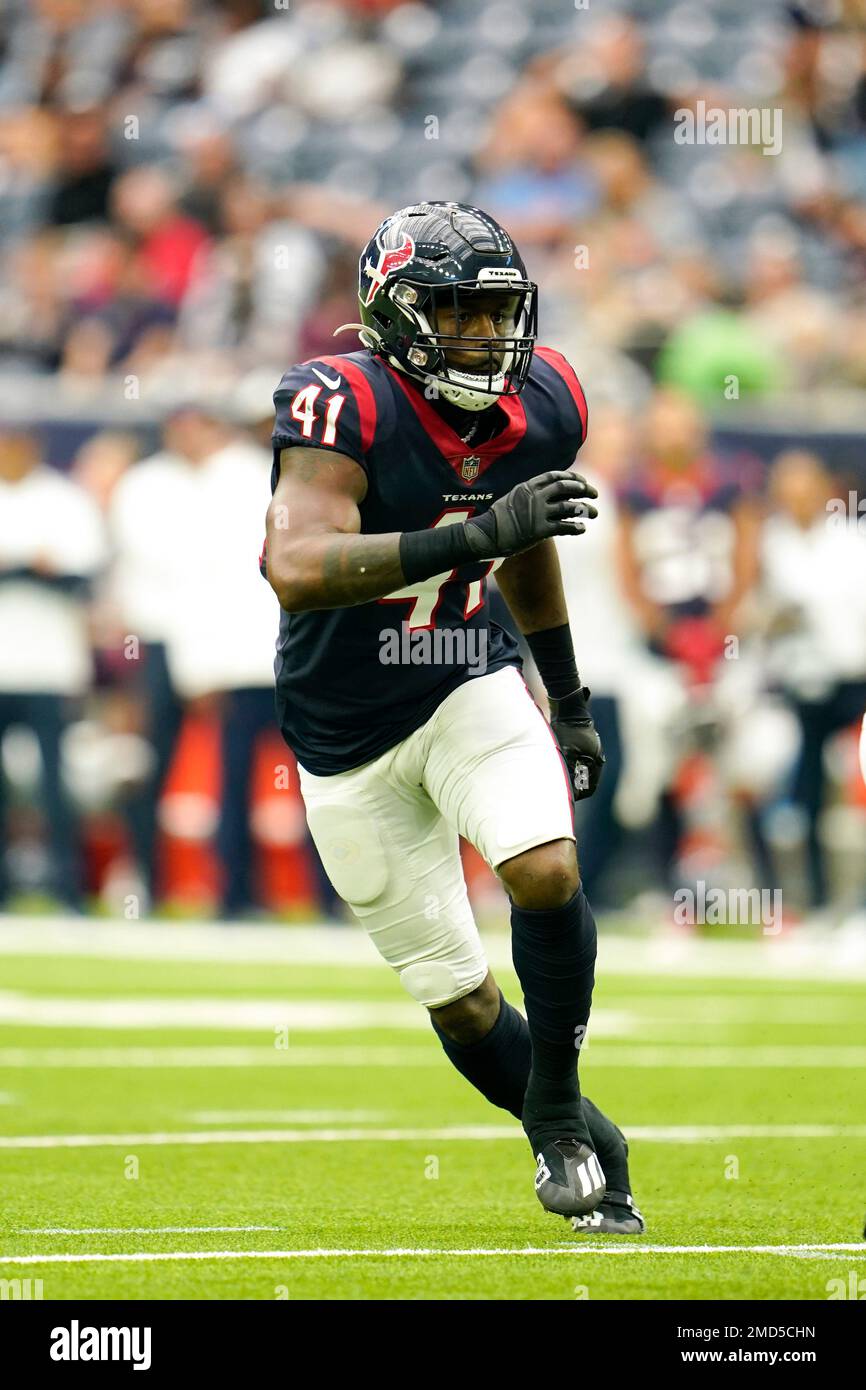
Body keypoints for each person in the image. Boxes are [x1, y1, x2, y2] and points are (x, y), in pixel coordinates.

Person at [261, 201, 643, 1233]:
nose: (482, 336)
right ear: (391, 315)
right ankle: (578, 1132)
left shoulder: (547, 399)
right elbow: (292, 568)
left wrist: (566, 701)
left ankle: (555, 1113)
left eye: (494, 312)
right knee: (461, 1000)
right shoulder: (341, 402)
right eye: (456, 313)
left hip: (462, 668)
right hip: (342, 728)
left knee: (545, 868)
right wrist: (474, 531)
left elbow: (522, 544)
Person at [0, 428, 107, 908]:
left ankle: (69, 886)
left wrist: (40, 569)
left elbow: (85, 572)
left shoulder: (64, 500)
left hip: (50, 663)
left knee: (54, 780)